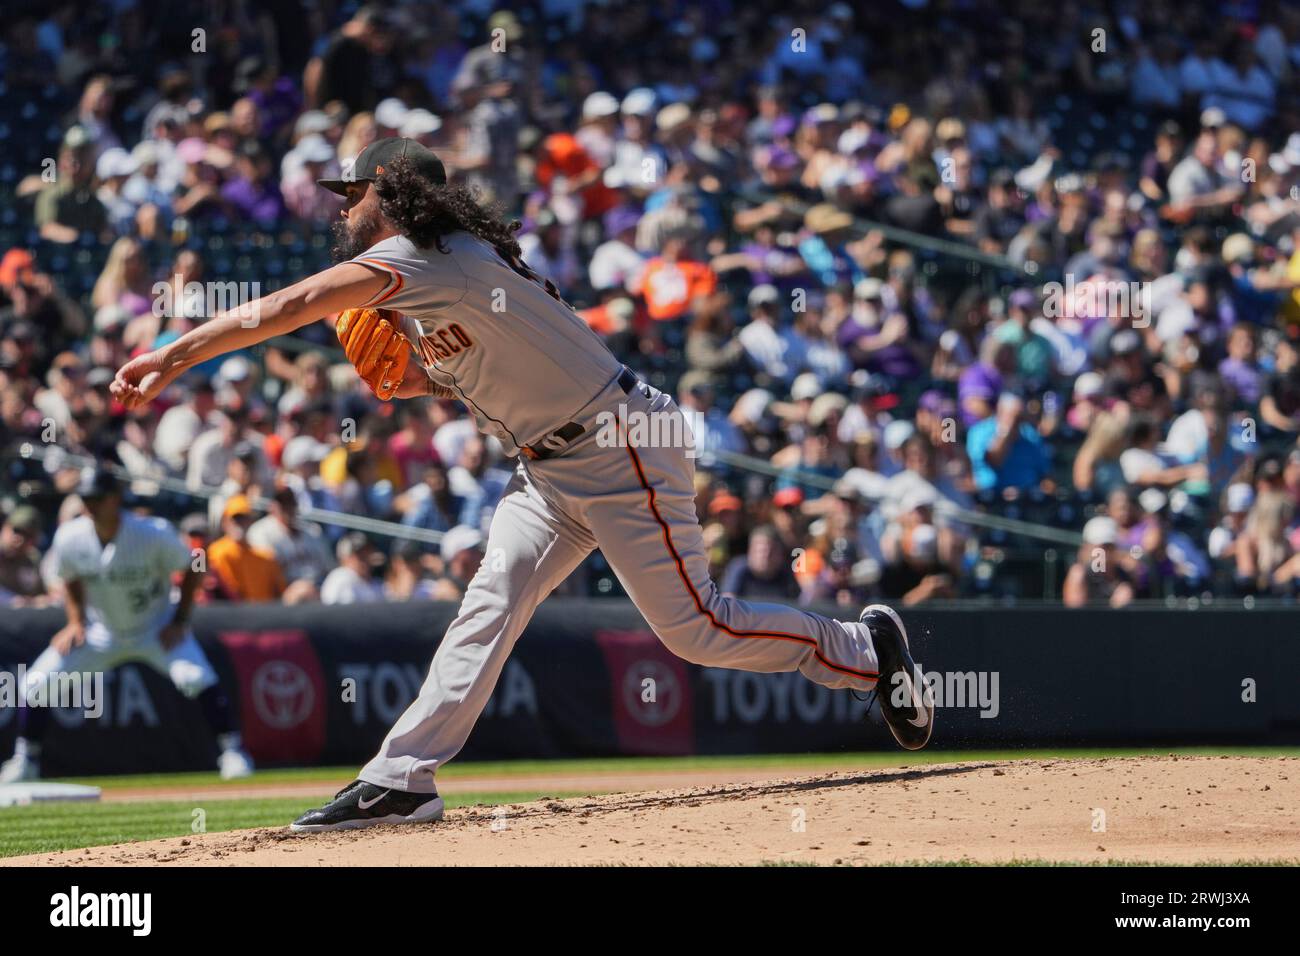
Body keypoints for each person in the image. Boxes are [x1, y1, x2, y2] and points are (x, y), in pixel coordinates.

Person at [111, 137, 933, 831]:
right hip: (549, 467)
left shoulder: (427, 259)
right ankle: (402, 777)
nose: (345, 206)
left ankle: (864, 650)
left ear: (390, 195)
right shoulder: (462, 272)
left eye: (355, 191)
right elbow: (498, 366)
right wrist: (419, 383)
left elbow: (295, 304)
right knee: (492, 596)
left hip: (622, 450)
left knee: (695, 631)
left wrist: (170, 355)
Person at [0, 469, 253, 784]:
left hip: (155, 627)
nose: (90, 505)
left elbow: (193, 567)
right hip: (100, 631)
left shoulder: (152, 532)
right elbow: (70, 577)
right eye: (85, 499)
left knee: (196, 677)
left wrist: (179, 621)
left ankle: (232, 752)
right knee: (37, 683)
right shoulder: (70, 535)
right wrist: (76, 621)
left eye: (97, 498)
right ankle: (26, 760)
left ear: (115, 499)